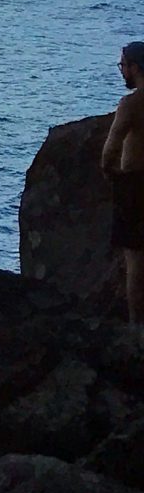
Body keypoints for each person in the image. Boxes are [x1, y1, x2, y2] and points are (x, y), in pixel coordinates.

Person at [100, 42, 144, 323]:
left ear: (135, 67)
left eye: (123, 66)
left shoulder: (131, 104)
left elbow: (111, 149)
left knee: (136, 262)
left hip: (135, 185)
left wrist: (109, 173)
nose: (122, 72)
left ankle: (136, 328)